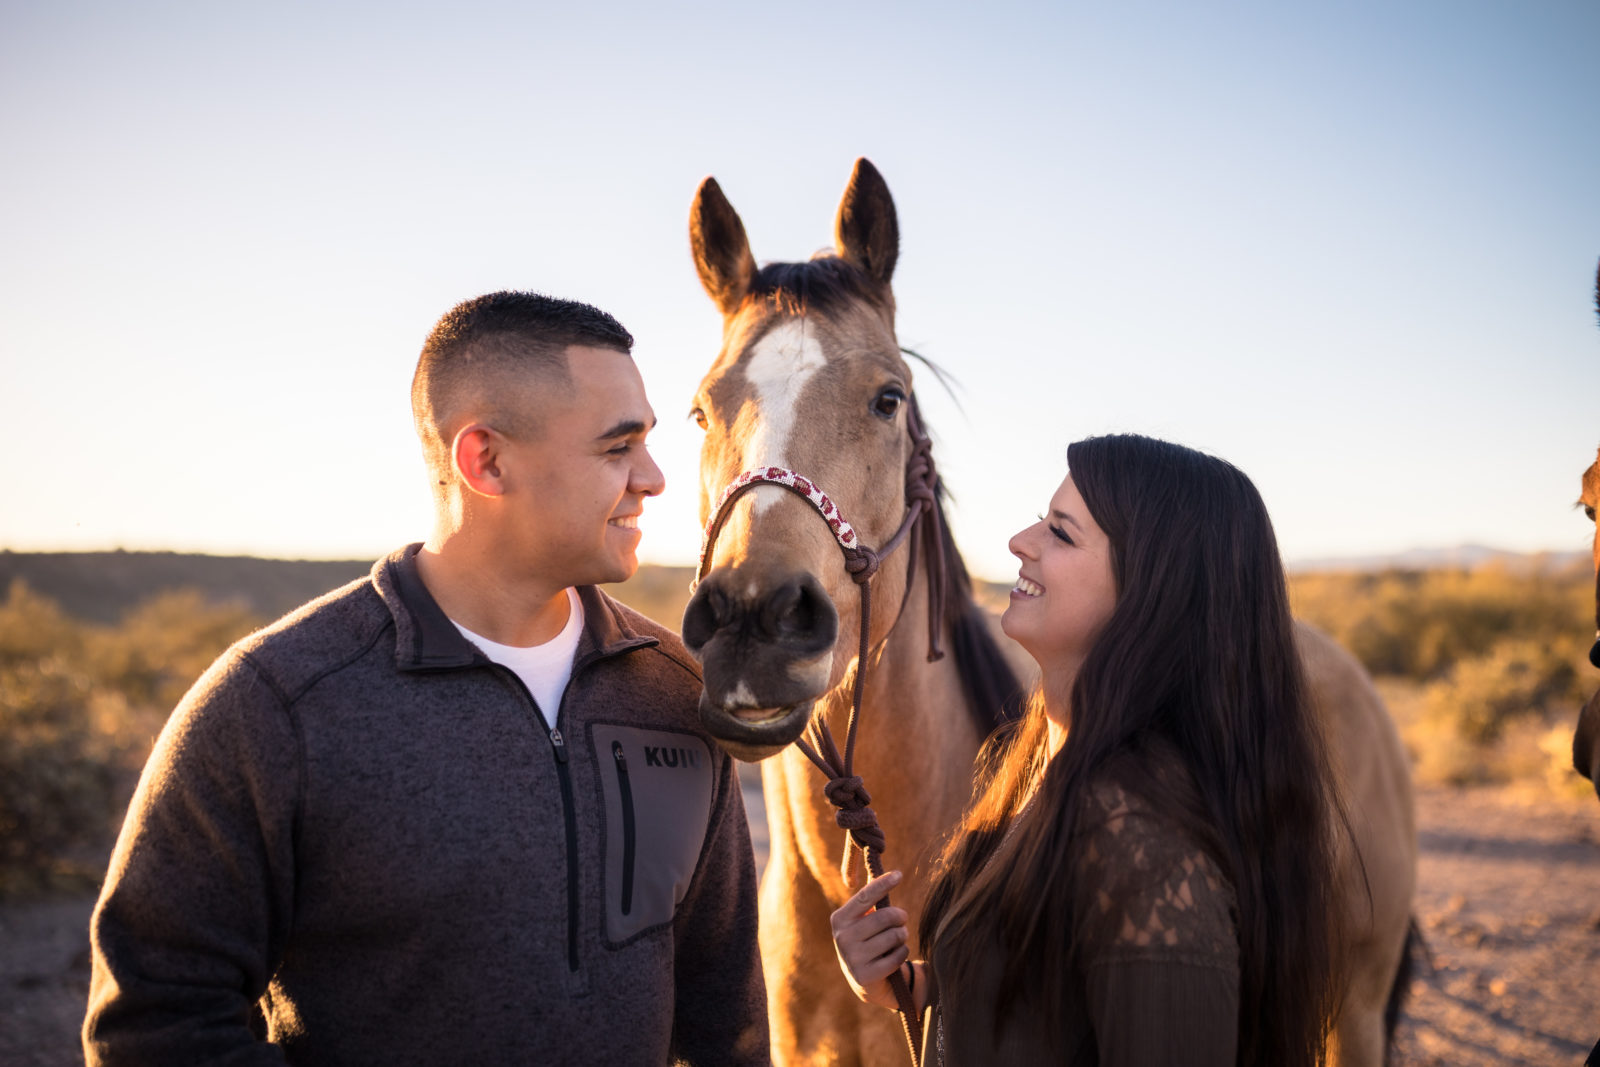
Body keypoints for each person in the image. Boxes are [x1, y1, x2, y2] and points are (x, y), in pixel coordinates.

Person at [84, 291, 768, 1065]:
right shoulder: (275, 707)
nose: (655, 479)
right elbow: (156, 1024)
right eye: (618, 448)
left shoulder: (674, 689)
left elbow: (725, 1016)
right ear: (486, 460)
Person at [832, 434, 1343, 1066]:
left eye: (1061, 533)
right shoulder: (1047, 764)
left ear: (1152, 591)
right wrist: (908, 984)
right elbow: (1047, 1002)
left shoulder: (1139, 835)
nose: (1021, 541)